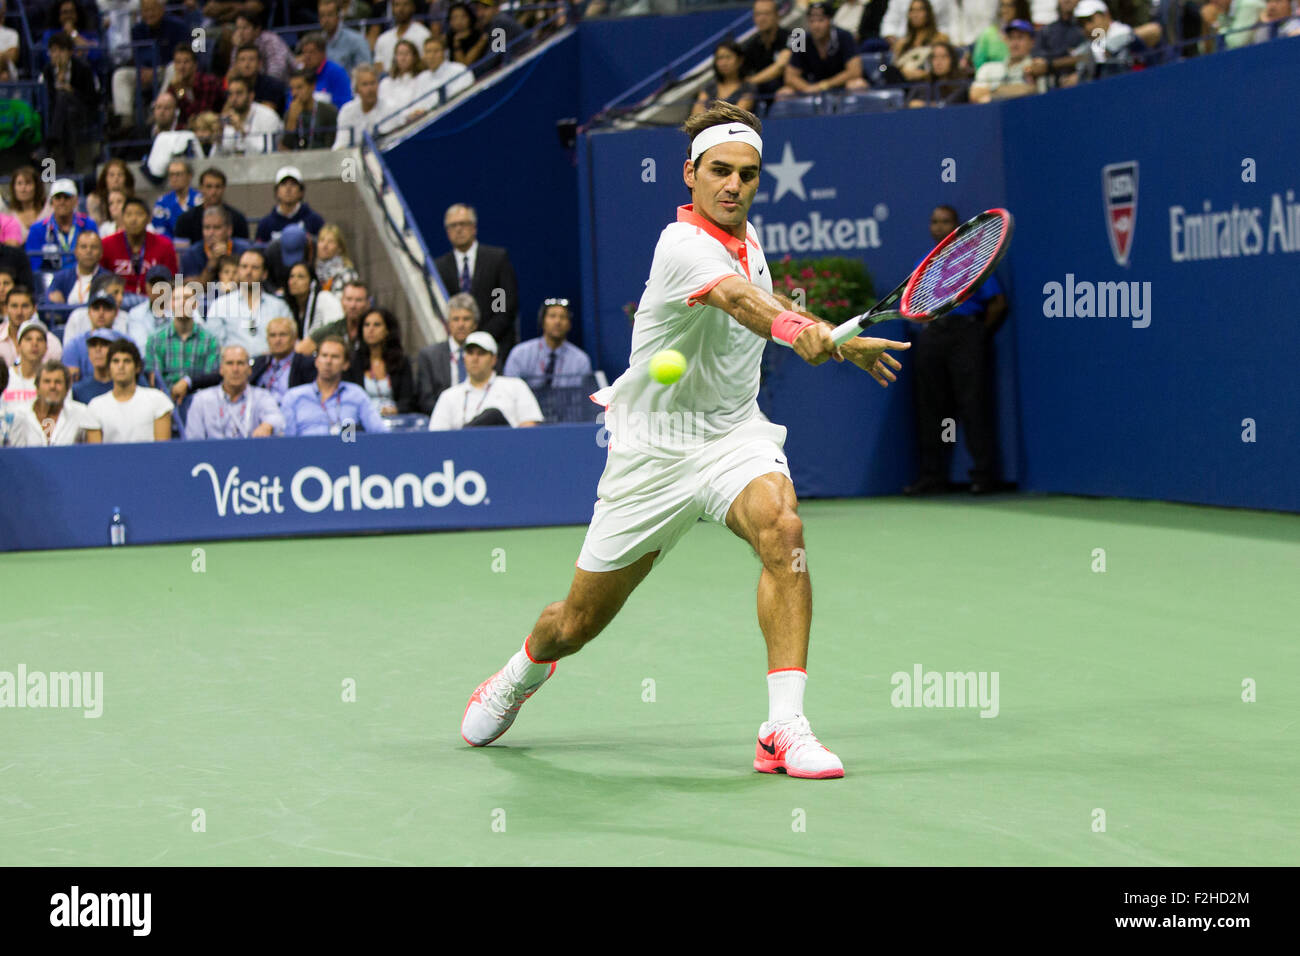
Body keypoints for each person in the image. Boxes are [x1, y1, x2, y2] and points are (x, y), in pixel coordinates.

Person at [459, 102, 911, 778]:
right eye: (720, 172)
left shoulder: (748, 241)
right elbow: (741, 303)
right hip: (654, 450)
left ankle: (783, 727)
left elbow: (772, 300)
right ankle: (522, 671)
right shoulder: (681, 245)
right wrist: (794, 335)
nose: (734, 186)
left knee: (783, 530)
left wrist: (835, 343)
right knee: (578, 622)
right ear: (690, 174)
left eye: (749, 175)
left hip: (734, 434)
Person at [903, 205, 1007, 496]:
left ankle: (983, 476)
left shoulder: (973, 259)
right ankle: (933, 477)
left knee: (972, 405)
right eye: (934, 221)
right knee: (931, 408)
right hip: (932, 335)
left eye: (945, 221)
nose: (939, 227)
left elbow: (998, 303)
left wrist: (977, 335)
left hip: (967, 335)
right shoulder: (924, 262)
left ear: (957, 226)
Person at [435, 204, 518, 357]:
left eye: (463, 224)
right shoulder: (439, 267)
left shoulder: (496, 260)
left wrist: (480, 339)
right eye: (453, 225)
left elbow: (502, 307)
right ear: (447, 232)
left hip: (493, 345)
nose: (458, 229)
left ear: (474, 228)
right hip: (454, 350)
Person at [429, 330, 539, 429]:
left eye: (481, 353)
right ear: (464, 358)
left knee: (493, 415)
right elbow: (436, 438)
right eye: (470, 353)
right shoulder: (449, 396)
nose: (475, 359)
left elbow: (529, 427)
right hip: (462, 449)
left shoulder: (515, 386)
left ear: (493, 359)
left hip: (505, 448)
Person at [281, 335, 386, 435]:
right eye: (324, 355)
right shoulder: (294, 397)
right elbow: (286, 441)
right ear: (316, 361)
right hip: (305, 452)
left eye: (335, 357)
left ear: (346, 364)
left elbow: (381, 433)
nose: (328, 361)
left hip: (346, 450)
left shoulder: (356, 395)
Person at [184, 344, 285, 439]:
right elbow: (193, 439)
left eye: (240, 363)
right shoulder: (202, 400)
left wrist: (267, 426)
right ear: (221, 369)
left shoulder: (262, 396)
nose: (235, 369)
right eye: (230, 363)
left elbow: (277, 419)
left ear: (249, 369)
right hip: (212, 456)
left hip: (251, 454)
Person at [204, 248, 291, 357]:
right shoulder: (220, 305)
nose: (248, 272)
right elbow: (213, 344)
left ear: (264, 274)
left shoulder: (279, 307)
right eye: (244, 267)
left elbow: (289, 341)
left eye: (255, 267)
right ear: (239, 271)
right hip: (234, 367)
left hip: (270, 367)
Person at [146, 282, 222, 407]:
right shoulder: (155, 340)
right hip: (165, 401)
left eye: (187, 298)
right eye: (177, 299)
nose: (182, 302)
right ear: (170, 305)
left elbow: (211, 378)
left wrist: (187, 384)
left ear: (195, 304)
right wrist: (173, 392)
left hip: (201, 402)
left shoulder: (210, 340)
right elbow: (156, 379)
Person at [85, 339, 174, 442]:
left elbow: (163, 450)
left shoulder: (158, 400)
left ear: (137, 367)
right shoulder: (95, 406)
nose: (121, 366)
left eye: (127, 361)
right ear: (109, 368)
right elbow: (96, 454)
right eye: (115, 361)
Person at [778, 2, 870, 97]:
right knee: (784, 92)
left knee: (857, 85)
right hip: (811, 88)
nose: (816, 26)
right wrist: (807, 88)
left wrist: (824, 85)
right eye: (812, 21)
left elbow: (855, 71)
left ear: (830, 20)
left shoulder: (845, 36)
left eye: (821, 20)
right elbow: (790, 77)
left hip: (841, 86)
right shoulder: (800, 40)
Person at [503, 298, 593, 390]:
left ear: (569, 324)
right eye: (552, 316)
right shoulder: (520, 354)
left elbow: (585, 396)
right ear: (542, 321)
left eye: (563, 317)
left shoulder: (580, 360)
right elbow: (509, 392)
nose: (557, 321)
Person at [42, 32, 99, 173]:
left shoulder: (82, 69)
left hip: (82, 110)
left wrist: (71, 90)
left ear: (70, 52)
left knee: (64, 98)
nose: (57, 55)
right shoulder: (48, 71)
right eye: (53, 51)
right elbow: (48, 100)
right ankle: (69, 164)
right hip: (62, 114)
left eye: (61, 50)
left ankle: (50, 144)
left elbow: (92, 99)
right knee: (67, 113)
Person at [8, 360, 99, 446]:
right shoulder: (19, 415)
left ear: (67, 389)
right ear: (37, 387)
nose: (52, 386)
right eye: (47, 381)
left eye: (58, 382)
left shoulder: (81, 413)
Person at [415, 291, 478, 413]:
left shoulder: (487, 354)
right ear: (448, 324)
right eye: (455, 319)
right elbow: (425, 400)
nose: (461, 325)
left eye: (466, 319)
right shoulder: (429, 356)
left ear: (475, 324)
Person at [100, 198, 179, 294]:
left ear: (148, 219)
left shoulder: (165, 245)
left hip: (154, 300)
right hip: (118, 301)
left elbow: (174, 281)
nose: (133, 220)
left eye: (139, 214)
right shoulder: (107, 244)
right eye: (129, 215)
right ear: (122, 218)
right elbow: (101, 281)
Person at [346, 307, 414, 415]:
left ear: (387, 330)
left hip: (394, 420)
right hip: (361, 420)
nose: (370, 329)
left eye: (376, 325)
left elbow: (407, 400)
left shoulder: (401, 361)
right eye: (366, 325)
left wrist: (396, 410)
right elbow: (348, 400)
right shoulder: (352, 361)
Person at [25, 179, 97, 273]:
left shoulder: (89, 225)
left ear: (75, 201)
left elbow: (96, 255)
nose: (62, 202)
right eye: (58, 198)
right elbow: (34, 266)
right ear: (51, 202)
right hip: (49, 279)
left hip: (83, 276)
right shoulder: (37, 229)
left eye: (66, 197)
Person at [61, 289, 125, 381]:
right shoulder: (74, 346)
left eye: (106, 308)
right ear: (89, 312)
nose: (101, 313)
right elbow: (71, 384)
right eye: (96, 308)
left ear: (116, 313)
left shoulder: (126, 343)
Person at [969, 19, 1040, 101]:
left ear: (1032, 42)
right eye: (1011, 38)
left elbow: (1031, 91)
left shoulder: (1036, 67)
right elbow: (974, 95)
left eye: (1020, 37)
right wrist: (1005, 91)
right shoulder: (988, 68)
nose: (1014, 43)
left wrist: (991, 94)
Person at [175, 169, 252, 244]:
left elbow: (244, 251)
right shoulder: (185, 220)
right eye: (209, 186)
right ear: (201, 188)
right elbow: (181, 253)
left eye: (217, 187)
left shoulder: (238, 219)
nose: (213, 192)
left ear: (224, 188)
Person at [332, 63, 401, 148]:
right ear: (357, 89)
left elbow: (393, 143)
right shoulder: (346, 111)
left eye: (373, 83)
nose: (370, 89)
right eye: (365, 84)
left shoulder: (391, 109)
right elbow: (341, 144)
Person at [740, 0, 793, 106]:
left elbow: (781, 65)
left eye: (767, 13)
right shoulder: (750, 45)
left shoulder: (797, 34)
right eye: (758, 14)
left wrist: (751, 81)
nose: (762, 19)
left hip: (793, 87)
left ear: (777, 15)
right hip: (762, 92)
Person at [73, 328, 148, 403]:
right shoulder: (78, 390)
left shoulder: (135, 382)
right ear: (88, 353)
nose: (98, 349)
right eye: (93, 345)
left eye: (104, 344)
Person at [1026, 0, 1089, 86]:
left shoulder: (1088, 26)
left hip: (1086, 80)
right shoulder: (1047, 31)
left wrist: (1051, 63)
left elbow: (1093, 55)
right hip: (1055, 87)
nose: (1067, 1)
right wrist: (1068, 57)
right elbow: (1037, 61)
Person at [255, 167, 326, 242]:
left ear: (301, 192)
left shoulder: (315, 221)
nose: (288, 188)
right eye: (283, 184)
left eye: (293, 184)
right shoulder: (265, 224)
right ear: (277, 192)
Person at [220, 75, 285, 155]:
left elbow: (267, 152)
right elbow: (225, 153)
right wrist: (217, 142)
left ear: (251, 95)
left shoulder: (268, 116)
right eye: (230, 94)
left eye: (239, 93)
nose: (234, 98)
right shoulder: (229, 118)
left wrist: (242, 132)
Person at [301, 278, 370, 353]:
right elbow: (301, 350)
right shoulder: (333, 329)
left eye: (358, 300)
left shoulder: (374, 327)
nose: (353, 305)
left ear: (367, 303)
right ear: (342, 301)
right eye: (349, 299)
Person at [180, 206, 252, 277]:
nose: (211, 233)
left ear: (229, 230)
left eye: (217, 227)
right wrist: (213, 261)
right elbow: (194, 286)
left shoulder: (244, 251)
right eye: (207, 227)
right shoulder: (191, 254)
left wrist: (225, 258)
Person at [888, 0, 951, 81]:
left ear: (928, 13)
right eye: (912, 10)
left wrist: (922, 74)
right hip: (903, 82)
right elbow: (895, 66)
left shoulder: (940, 39)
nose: (915, 15)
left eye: (920, 10)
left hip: (928, 82)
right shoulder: (901, 44)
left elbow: (943, 67)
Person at [690, 42, 757, 117]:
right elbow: (695, 115)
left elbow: (738, 115)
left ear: (740, 60)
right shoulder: (710, 86)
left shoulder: (748, 87)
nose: (724, 63)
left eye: (728, 57)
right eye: (720, 58)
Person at [0, 287, 62, 367]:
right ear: (6, 309)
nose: (19, 312)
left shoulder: (51, 343)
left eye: (25, 306)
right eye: (14, 306)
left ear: (34, 309)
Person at [378, 39, 436, 124]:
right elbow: (383, 109)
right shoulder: (386, 83)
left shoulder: (424, 78)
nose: (403, 58)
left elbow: (425, 104)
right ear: (395, 57)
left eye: (407, 54)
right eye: (400, 54)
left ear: (414, 56)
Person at [282, 68, 340, 151]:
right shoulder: (289, 114)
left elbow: (332, 146)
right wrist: (292, 120)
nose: (294, 93)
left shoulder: (329, 111)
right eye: (292, 89)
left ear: (312, 87)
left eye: (299, 88)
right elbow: (285, 149)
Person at [62, 273, 129, 344]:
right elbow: (68, 349)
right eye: (115, 293)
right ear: (100, 292)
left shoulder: (126, 317)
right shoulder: (77, 317)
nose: (120, 298)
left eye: (122, 293)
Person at [167, 45, 225, 126]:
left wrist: (180, 91)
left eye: (186, 62)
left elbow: (199, 116)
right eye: (178, 62)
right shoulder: (174, 87)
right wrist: (179, 91)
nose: (181, 67)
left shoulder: (208, 82)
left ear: (195, 65)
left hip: (212, 128)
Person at [227, 43, 289, 116]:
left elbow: (267, 114)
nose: (246, 64)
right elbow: (226, 113)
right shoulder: (233, 86)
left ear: (259, 64)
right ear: (236, 64)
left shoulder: (273, 85)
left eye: (251, 59)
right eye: (242, 60)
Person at [46, 232, 109, 305]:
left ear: (101, 253)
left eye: (94, 247)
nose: (88, 251)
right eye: (83, 247)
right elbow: (47, 305)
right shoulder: (60, 278)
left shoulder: (108, 280)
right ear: (76, 251)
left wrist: (64, 307)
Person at [284, 261, 343, 338]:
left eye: (301, 277)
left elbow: (337, 326)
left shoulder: (324, 298)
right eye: (291, 276)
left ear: (312, 282)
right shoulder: (287, 306)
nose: (294, 281)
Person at [297, 30, 354, 109]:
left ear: (323, 53)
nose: (307, 56)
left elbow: (344, 104)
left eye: (311, 52)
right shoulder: (299, 74)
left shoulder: (336, 72)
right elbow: (291, 102)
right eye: (304, 52)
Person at [2, 317, 54, 403]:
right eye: (28, 339)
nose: (34, 344)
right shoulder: (5, 378)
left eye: (40, 339)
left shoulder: (54, 381)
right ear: (18, 346)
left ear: (46, 348)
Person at [234, 9, 293, 82]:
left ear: (257, 29)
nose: (240, 33)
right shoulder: (239, 44)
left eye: (245, 28)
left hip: (286, 85)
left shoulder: (271, 41)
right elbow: (233, 73)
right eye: (238, 28)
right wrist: (238, 48)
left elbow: (277, 72)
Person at [150, 159, 203, 239]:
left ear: (189, 176)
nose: (174, 179)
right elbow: (159, 229)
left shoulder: (201, 199)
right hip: (170, 247)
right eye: (171, 175)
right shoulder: (162, 203)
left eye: (178, 174)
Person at [907, 41, 970, 106]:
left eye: (943, 57)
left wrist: (923, 104)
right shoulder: (923, 85)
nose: (938, 62)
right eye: (934, 57)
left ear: (952, 60)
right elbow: (907, 105)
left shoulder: (961, 84)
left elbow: (947, 105)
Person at [376, 0, 433, 70]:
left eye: (405, 4)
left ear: (413, 7)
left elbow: (426, 63)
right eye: (397, 5)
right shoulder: (383, 39)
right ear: (392, 8)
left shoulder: (423, 34)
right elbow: (378, 67)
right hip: (389, 78)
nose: (401, 9)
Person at [319, 0, 373, 72]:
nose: (326, 20)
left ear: (339, 16)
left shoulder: (356, 40)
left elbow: (367, 70)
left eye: (330, 15)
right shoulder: (318, 42)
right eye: (322, 16)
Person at [85, 159, 135, 232]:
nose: (116, 178)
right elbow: (95, 226)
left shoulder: (133, 199)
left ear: (126, 178)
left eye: (120, 175)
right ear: (105, 179)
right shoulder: (94, 199)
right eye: (112, 175)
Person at [5, 167, 51, 244]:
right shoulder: (8, 216)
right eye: (19, 184)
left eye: (28, 183)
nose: (23, 188)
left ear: (37, 187)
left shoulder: (49, 211)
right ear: (13, 188)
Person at [422, 35, 473, 103]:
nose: (431, 56)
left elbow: (464, 97)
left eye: (436, 51)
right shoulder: (422, 78)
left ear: (445, 53)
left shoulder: (459, 70)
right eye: (428, 52)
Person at [314, 224, 360, 291]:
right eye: (321, 240)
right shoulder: (312, 273)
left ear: (339, 248)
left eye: (330, 242)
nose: (324, 246)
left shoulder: (347, 274)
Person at [446, 2, 488, 69]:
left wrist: (457, 44)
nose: (459, 21)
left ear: (469, 18)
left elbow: (464, 65)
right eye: (455, 17)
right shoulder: (448, 37)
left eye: (463, 16)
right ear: (450, 21)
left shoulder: (479, 36)